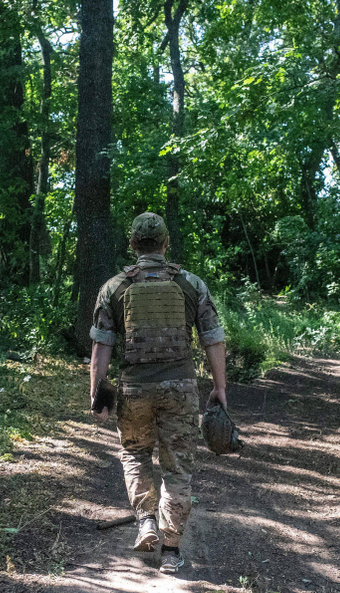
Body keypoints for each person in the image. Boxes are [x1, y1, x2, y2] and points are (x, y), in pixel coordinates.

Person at [88, 212, 227, 575]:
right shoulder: (191, 284)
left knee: (135, 454)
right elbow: (213, 337)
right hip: (180, 388)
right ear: (166, 243)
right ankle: (170, 551)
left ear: (133, 244)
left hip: (134, 389)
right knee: (177, 469)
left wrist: (96, 393)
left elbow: (102, 346)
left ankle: (146, 520)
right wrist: (220, 387)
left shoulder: (115, 287)